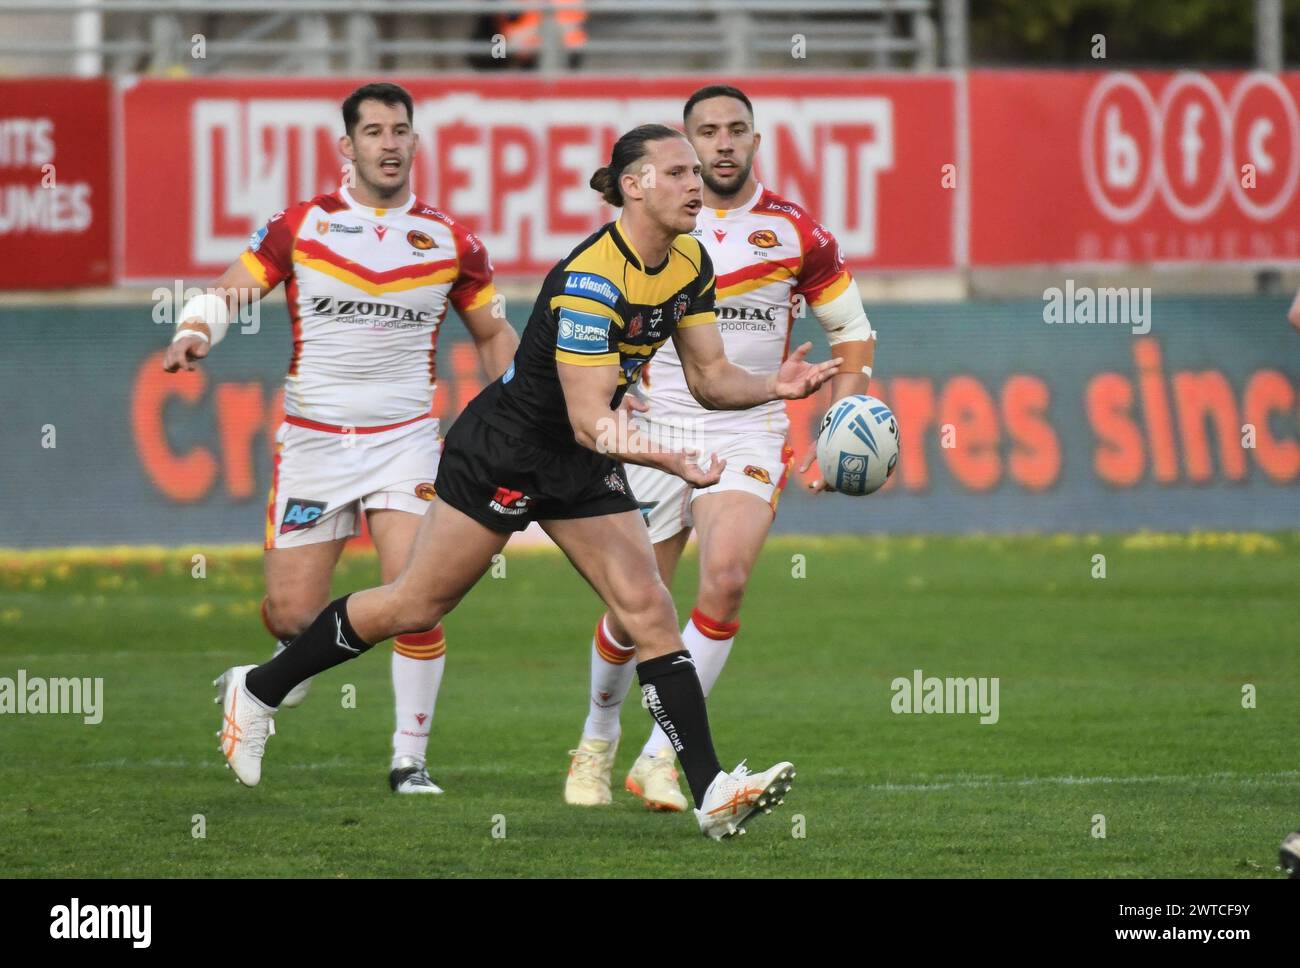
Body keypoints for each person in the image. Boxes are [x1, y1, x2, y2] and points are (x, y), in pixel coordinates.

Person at [213, 122, 841, 839]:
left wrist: (773, 386)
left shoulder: (690, 261)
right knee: (415, 605)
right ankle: (257, 689)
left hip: (577, 463)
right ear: (633, 186)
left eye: (696, 172)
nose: (696, 184)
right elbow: (588, 419)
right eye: (677, 172)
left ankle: (712, 795)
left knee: (648, 608)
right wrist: (671, 461)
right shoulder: (590, 280)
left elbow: (709, 378)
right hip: (506, 453)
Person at [167, 82, 517, 795]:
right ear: (346, 146)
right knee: (296, 613)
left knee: (419, 594)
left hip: (407, 442)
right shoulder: (304, 226)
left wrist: (524, 401)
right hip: (314, 443)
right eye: (375, 131)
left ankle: (409, 759)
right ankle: (276, 666)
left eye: (400, 131)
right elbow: (230, 288)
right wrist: (195, 329)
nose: (389, 144)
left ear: (416, 143)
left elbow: (491, 334)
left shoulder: (452, 239)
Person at [564, 85, 877, 811]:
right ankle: (596, 738)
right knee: (633, 605)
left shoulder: (796, 231)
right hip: (654, 429)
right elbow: (600, 308)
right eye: (708, 131)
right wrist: (610, 387)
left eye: (737, 129)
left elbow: (852, 332)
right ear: (688, 145)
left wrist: (841, 419)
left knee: (727, 578)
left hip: (748, 422)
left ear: (756, 141)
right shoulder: (656, 220)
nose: (724, 143)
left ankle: (659, 759)